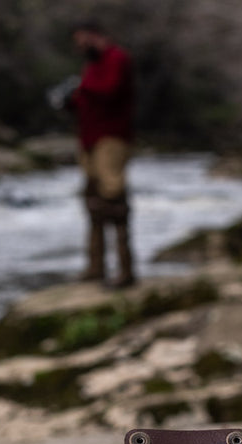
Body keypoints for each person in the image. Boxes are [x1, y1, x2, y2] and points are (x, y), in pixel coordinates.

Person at [68, 21, 135, 288]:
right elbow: (87, 100)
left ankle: (125, 270)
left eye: (83, 40)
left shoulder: (117, 59)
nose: (80, 46)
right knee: (93, 200)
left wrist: (82, 89)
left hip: (113, 139)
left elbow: (109, 91)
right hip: (89, 140)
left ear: (97, 36)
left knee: (114, 201)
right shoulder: (91, 65)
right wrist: (70, 101)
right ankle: (95, 267)